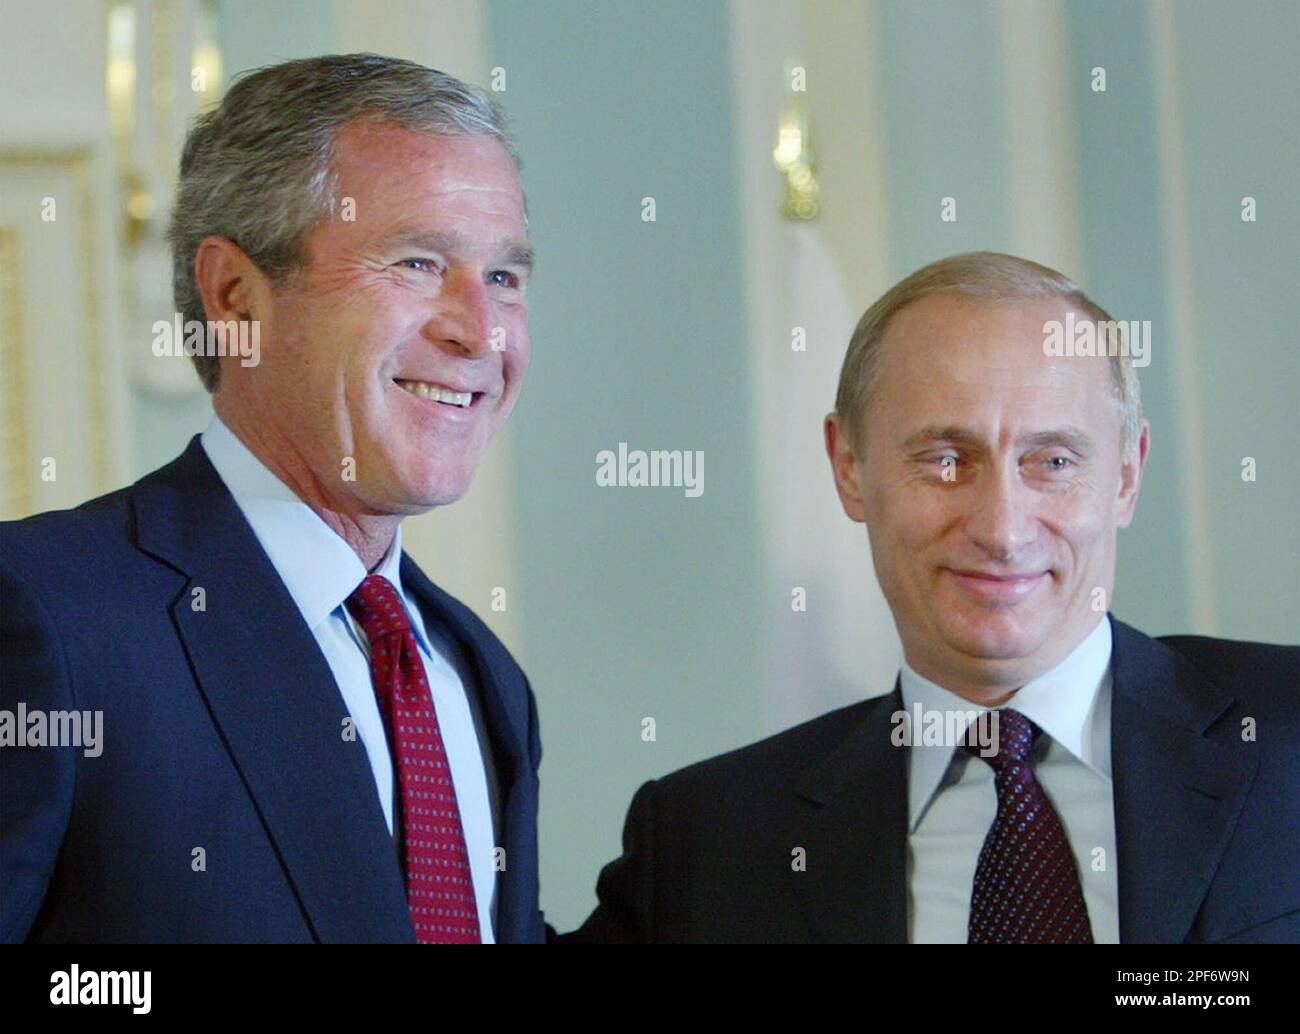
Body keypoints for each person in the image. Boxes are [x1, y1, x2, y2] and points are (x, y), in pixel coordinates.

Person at [564, 251, 1299, 944]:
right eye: (946, 460)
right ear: (849, 467)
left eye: (1053, 460)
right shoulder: (709, 845)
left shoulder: (1286, 738)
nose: (1002, 530)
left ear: (1128, 476)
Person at [1, 54, 543, 943]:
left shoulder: (476, 674)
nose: (480, 330)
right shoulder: (47, 616)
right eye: (416, 262)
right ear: (237, 298)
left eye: (505, 278)